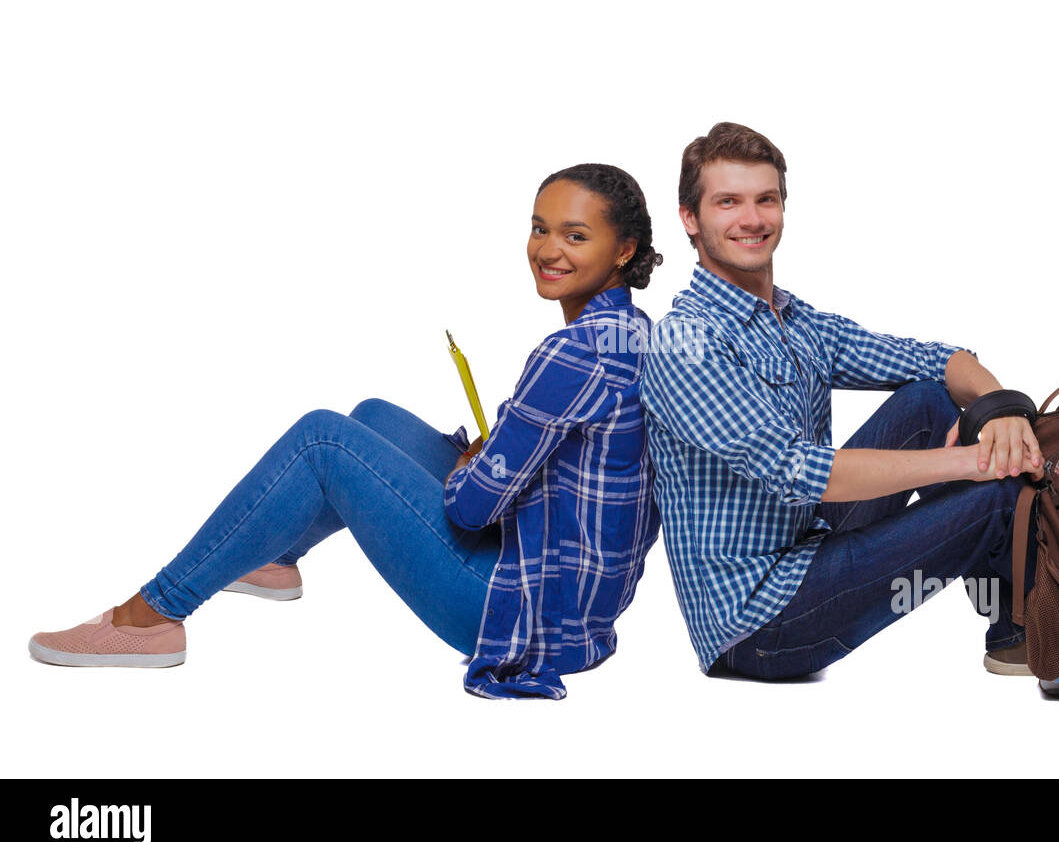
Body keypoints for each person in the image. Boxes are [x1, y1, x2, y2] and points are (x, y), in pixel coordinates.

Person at [640, 122, 1059, 689]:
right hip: (761, 623)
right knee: (992, 492)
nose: (751, 218)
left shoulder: (795, 320)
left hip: (808, 538)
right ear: (690, 218)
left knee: (932, 402)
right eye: (728, 202)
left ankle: (1026, 626)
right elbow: (799, 469)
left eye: (765, 199)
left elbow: (938, 361)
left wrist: (1000, 412)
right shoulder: (683, 343)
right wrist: (973, 464)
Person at [30, 164, 664, 699]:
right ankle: (273, 556)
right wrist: (496, 454)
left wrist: (481, 464)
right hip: (581, 614)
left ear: (624, 249)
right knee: (373, 417)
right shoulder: (635, 334)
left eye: (574, 235)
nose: (547, 249)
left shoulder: (573, 354)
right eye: (539, 227)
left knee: (323, 440)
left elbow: (472, 508)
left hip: (511, 612)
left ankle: (152, 616)